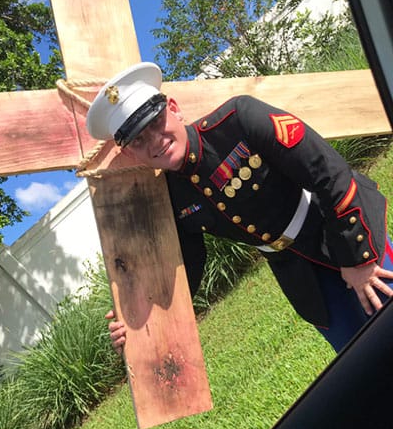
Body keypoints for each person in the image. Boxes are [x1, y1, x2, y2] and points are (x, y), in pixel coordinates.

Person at [86, 62, 393, 353]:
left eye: (155, 123)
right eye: (138, 141)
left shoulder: (238, 120)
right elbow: (185, 267)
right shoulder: (172, 195)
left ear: (174, 109)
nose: (154, 141)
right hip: (301, 279)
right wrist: (140, 317)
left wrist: (358, 259)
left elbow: (327, 171)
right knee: (364, 362)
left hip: (343, 233)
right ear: (129, 153)